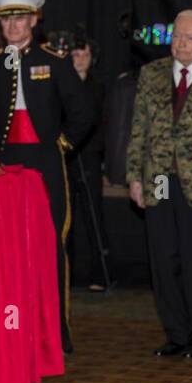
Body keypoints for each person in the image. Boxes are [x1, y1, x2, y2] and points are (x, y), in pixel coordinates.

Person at [0, 0, 95, 354]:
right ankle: (9, 328)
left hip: (46, 164)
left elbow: (84, 112)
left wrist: (61, 144)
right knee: (5, 247)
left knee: (49, 243)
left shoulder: (54, 62)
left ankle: (55, 331)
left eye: (20, 18)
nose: (13, 25)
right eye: (7, 18)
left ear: (34, 20)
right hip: (6, 165)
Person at [125, 10, 192, 359]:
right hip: (159, 178)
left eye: (189, 38)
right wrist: (134, 177)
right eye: (176, 37)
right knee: (163, 257)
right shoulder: (151, 74)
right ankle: (175, 332)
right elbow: (138, 128)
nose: (181, 44)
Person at [64, 27, 110, 293]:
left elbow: (101, 123)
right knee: (67, 217)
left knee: (93, 216)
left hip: (90, 156)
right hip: (66, 156)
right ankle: (67, 274)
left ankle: (100, 274)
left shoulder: (98, 87)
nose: (79, 58)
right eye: (75, 53)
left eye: (84, 54)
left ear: (92, 58)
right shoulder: (62, 83)